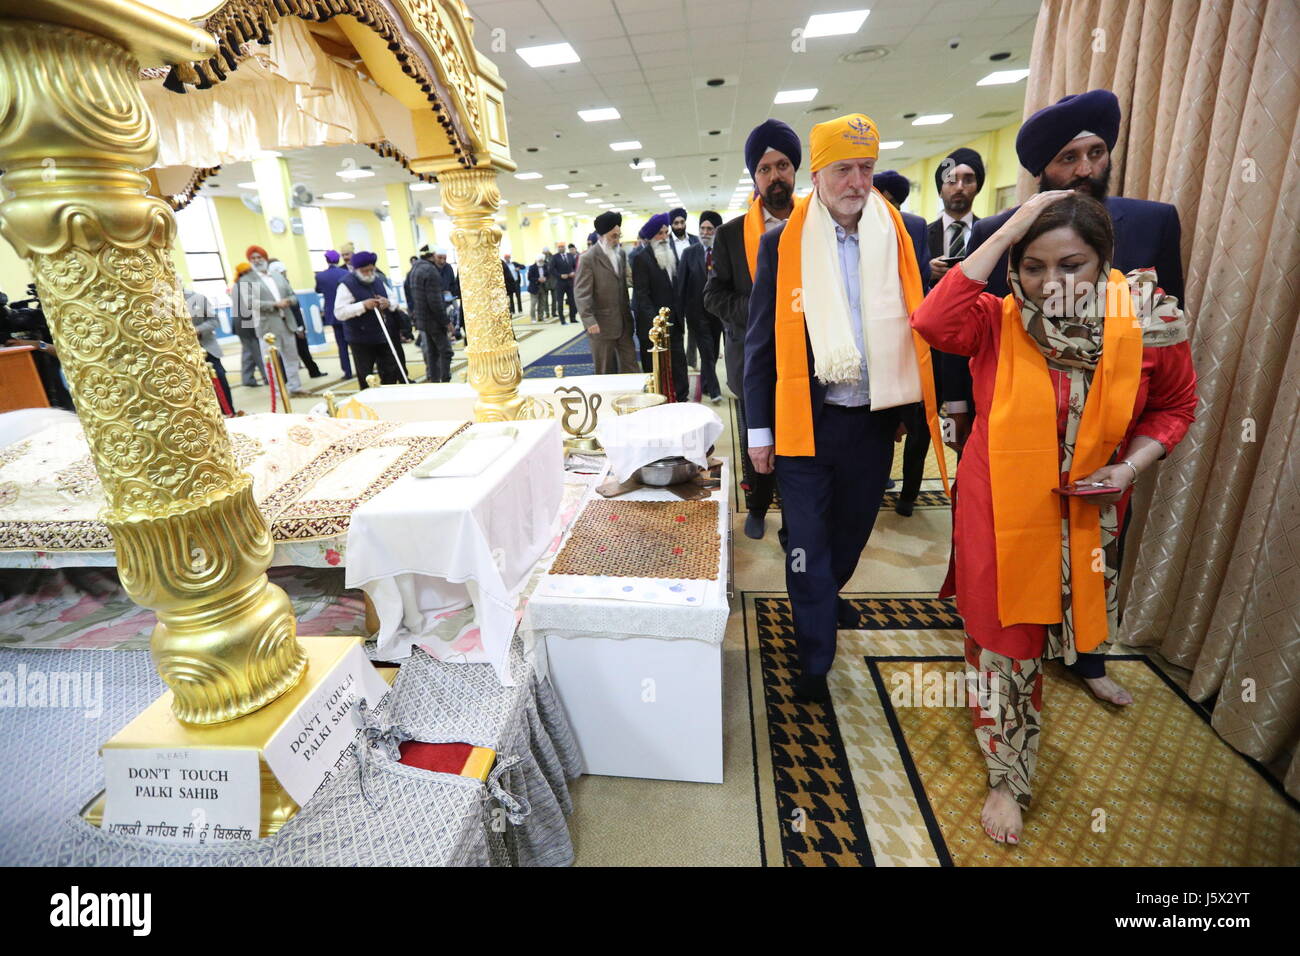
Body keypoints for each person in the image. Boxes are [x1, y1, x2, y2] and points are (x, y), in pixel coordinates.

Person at [911, 190, 1197, 844]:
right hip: (998, 510)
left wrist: (1129, 468)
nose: (1052, 284)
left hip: (1086, 514)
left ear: (1104, 260)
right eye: (1033, 265)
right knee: (1007, 637)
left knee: (1045, 635)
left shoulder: (1150, 321)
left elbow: (1177, 405)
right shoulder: (997, 319)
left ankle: (992, 677)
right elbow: (932, 321)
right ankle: (1007, 777)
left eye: (1071, 264)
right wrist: (1011, 223)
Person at [945, 88, 1186, 705]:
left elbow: (1168, 370)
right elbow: (945, 326)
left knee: (1089, 573)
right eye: (1067, 159)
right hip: (1012, 447)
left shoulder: (1153, 227)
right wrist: (965, 407)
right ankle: (1006, 709)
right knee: (1008, 599)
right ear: (1042, 173)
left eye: (1095, 152)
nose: (1084, 169)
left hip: (1101, 457)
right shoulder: (1008, 239)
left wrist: (1128, 461)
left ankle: (1086, 656)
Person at [744, 113, 945, 704]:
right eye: (843, 169)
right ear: (818, 173)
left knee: (852, 537)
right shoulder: (783, 242)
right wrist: (760, 431)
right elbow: (759, 343)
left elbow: (923, 317)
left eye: (866, 168)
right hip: (807, 422)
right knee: (806, 541)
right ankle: (813, 654)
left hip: (875, 422)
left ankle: (823, 599)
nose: (857, 181)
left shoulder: (904, 231)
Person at [704, 118, 799, 541]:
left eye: (782, 165)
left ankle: (795, 519)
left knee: (799, 448)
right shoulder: (730, 235)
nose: (774, 176)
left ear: (794, 170)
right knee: (757, 443)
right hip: (753, 360)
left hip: (806, 363)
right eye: (764, 169)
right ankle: (758, 505)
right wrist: (764, 311)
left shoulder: (815, 223)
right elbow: (713, 295)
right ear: (754, 177)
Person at [873, 169, 934, 513]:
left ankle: (909, 494)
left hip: (911, 340)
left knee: (918, 423)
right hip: (874, 347)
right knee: (881, 425)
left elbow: (920, 282)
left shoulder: (913, 226)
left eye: (891, 201)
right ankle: (878, 479)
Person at [926, 147, 984, 459]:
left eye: (968, 179)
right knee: (927, 429)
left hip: (974, 349)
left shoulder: (991, 233)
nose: (959, 186)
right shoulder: (921, 234)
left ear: (978, 186)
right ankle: (910, 491)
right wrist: (927, 271)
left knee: (969, 437)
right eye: (951, 180)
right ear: (941, 187)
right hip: (932, 351)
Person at [574, 211, 640, 375]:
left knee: (631, 366)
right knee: (605, 371)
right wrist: (589, 320)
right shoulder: (588, 258)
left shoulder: (621, 254)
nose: (617, 240)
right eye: (613, 236)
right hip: (601, 325)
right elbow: (581, 293)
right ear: (602, 236)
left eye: (619, 235)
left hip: (624, 322)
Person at [632, 212, 688, 400]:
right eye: (660, 234)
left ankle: (681, 397)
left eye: (666, 232)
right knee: (655, 367)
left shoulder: (670, 253)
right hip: (653, 326)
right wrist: (657, 324)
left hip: (675, 321)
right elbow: (642, 296)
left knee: (679, 362)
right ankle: (657, 400)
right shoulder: (641, 258)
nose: (664, 237)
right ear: (651, 237)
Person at [332, 251, 408, 388]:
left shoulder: (377, 279)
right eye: (365, 271)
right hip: (360, 339)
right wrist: (363, 305)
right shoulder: (346, 284)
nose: (368, 273)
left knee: (390, 371)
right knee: (366, 376)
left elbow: (394, 299)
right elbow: (339, 312)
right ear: (357, 270)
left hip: (383, 335)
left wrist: (388, 303)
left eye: (371, 270)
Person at [674, 209, 724, 402]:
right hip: (696, 312)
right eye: (702, 228)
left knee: (711, 350)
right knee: (706, 350)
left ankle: (704, 384)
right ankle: (714, 390)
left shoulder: (722, 252)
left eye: (709, 229)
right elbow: (681, 286)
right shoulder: (689, 253)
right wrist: (680, 315)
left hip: (717, 313)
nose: (704, 232)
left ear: (716, 230)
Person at [242, 245, 305, 396]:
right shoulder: (249, 280)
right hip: (268, 326)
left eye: (259, 257)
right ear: (250, 261)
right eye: (253, 258)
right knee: (271, 360)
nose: (257, 261)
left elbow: (292, 295)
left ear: (265, 259)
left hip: (287, 322)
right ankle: (278, 391)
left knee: (291, 356)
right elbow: (251, 303)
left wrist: (289, 301)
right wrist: (274, 305)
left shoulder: (277, 276)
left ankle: (295, 386)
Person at [267, 259, 325, 379]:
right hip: (288, 325)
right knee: (295, 352)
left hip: (290, 324)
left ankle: (312, 371)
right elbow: (292, 309)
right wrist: (299, 327)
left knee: (299, 351)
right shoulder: (277, 287)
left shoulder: (283, 284)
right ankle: (291, 378)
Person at [185, 287, 234, 414]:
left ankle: (229, 413)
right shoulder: (162, 301)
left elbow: (213, 321)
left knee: (220, 378)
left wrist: (198, 329)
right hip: (184, 353)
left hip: (208, 348)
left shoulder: (198, 298)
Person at [407, 246, 451, 382]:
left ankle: (434, 380)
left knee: (432, 353)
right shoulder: (430, 271)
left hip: (422, 320)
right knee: (446, 351)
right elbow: (435, 302)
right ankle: (444, 381)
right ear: (432, 255)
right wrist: (446, 322)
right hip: (434, 321)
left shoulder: (414, 269)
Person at [314, 250, 353, 380]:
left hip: (333, 313)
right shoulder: (346, 273)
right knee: (354, 342)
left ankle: (347, 371)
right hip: (347, 312)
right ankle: (361, 367)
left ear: (326, 260)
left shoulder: (320, 276)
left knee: (341, 345)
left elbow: (318, 289)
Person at [230, 261, 266, 388]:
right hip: (248, 322)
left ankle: (247, 378)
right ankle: (267, 377)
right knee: (258, 351)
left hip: (239, 323)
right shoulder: (247, 283)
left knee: (248, 351)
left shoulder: (236, 285)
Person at [553, 243, 578, 324]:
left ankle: (573, 318)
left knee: (572, 301)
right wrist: (560, 275)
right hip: (560, 283)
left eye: (562, 247)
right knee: (560, 302)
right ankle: (562, 320)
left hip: (570, 282)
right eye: (559, 247)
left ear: (565, 247)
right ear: (558, 248)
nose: (561, 248)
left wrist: (573, 272)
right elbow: (551, 269)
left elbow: (575, 266)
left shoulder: (570, 255)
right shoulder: (555, 257)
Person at [527, 255, 548, 322]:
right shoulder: (532, 267)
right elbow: (529, 277)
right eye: (540, 260)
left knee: (542, 303)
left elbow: (548, 274)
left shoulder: (545, 266)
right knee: (533, 304)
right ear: (537, 260)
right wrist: (538, 279)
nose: (541, 261)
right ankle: (533, 318)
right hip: (534, 288)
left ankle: (540, 317)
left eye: (542, 260)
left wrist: (545, 278)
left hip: (543, 287)